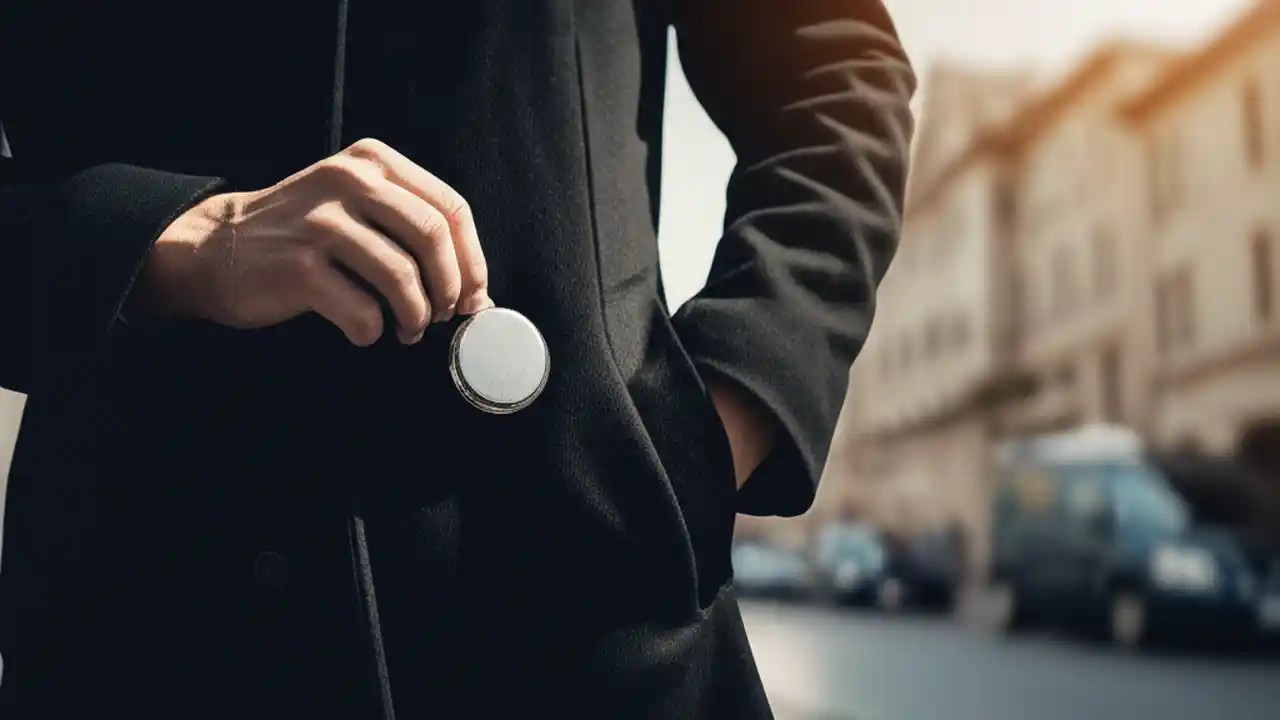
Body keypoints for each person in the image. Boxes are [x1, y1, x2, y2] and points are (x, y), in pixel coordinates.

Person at [0, 1, 914, 717]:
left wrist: (712, 427)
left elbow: (835, 73)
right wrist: (169, 244)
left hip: (579, 606)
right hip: (145, 605)